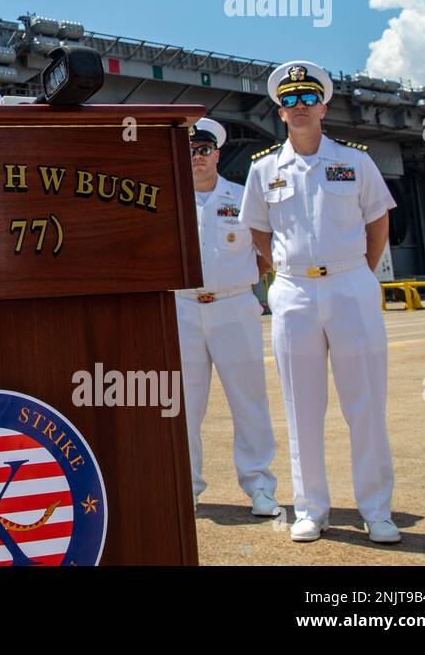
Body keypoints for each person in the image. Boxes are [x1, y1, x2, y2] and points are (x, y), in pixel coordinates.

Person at [240, 60, 399, 544]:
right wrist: (290, 276)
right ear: (280, 110)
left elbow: (378, 223)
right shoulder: (264, 168)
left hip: (351, 285)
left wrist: (355, 273)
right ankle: (311, 508)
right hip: (292, 291)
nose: (300, 106)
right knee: (300, 405)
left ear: (324, 106)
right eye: (290, 100)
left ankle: (377, 511)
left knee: (365, 404)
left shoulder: (356, 161)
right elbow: (258, 233)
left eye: (309, 98)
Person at [175, 117, 278, 517]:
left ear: (216, 154)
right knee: (184, 404)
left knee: (248, 399)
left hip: (234, 305)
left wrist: (246, 278)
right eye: (188, 151)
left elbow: (266, 251)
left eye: (202, 150)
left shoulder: (243, 197)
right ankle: (189, 486)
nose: (196, 157)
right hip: (182, 308)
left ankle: (260, 486)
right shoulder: (168, 198)